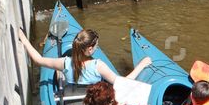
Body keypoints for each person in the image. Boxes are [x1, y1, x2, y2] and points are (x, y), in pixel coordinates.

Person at [17, 24, 152, 87]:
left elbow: (38, 60)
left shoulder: (65, 63)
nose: (97, 48)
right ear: (90, 49)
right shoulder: (98, 65)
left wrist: (23, 39)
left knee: (59, 75)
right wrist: (142, 65)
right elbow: (122, 83)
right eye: (97, 46)